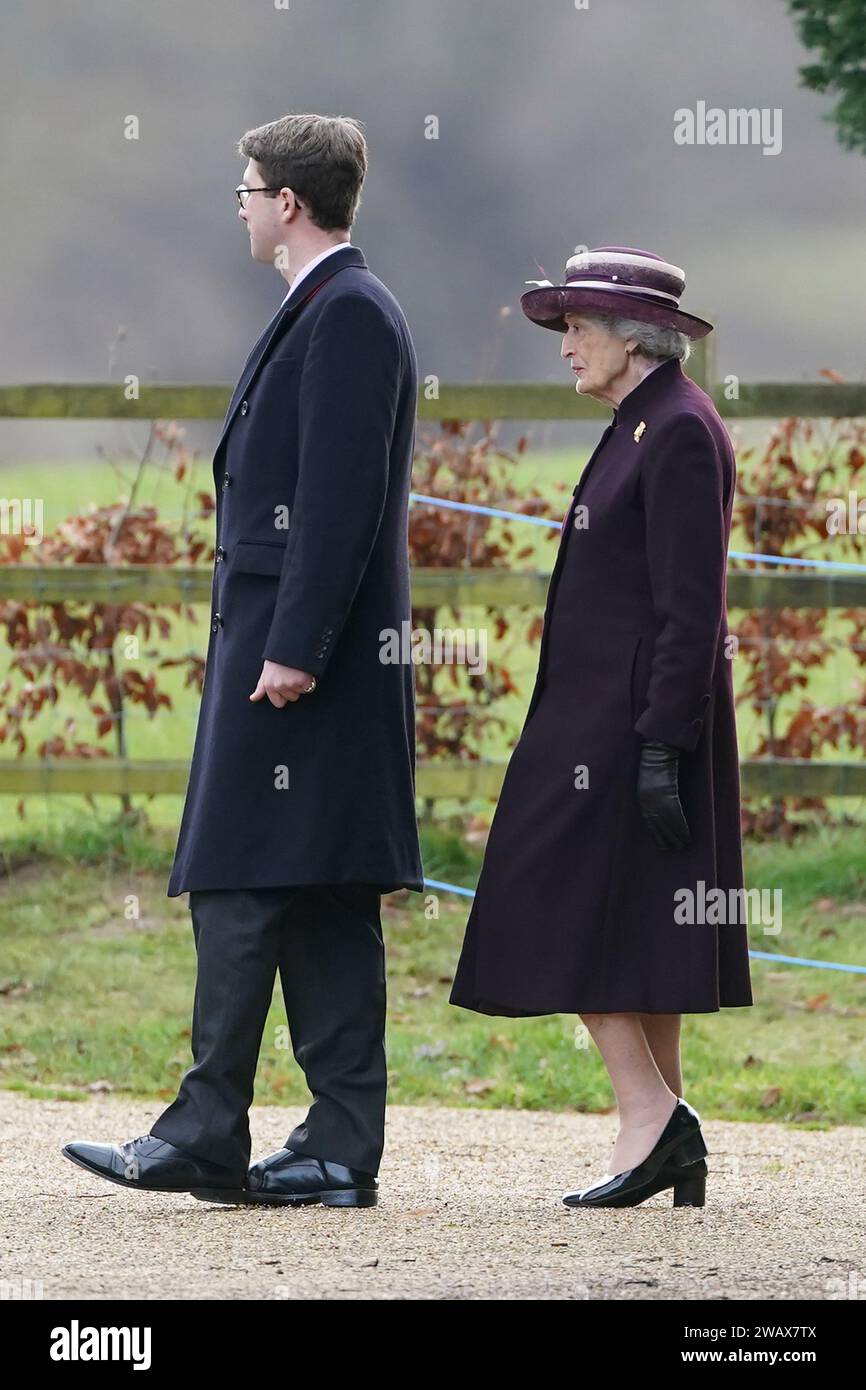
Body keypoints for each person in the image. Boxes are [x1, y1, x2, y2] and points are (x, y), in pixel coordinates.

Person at [63, 112, 423, 1209]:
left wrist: (295, 650)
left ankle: (208, 1129)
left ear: (289, 204)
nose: (240, 204)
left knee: (236, 883)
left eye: (248, 188)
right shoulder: (322, 305)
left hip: (303, 665)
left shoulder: (348, 311)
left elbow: (337, 504)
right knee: (314, 892)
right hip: (293, 655)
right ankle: (332, 1147)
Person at [449, 245, 753, 1209]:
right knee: (637, 927)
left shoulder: (678, 430)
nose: (566, 343)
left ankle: (653, 1117)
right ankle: (662, 1127)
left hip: (629, 726)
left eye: (577, 325)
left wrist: (664, 741)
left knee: (550, 900)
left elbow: (690, 606)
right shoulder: (643, 420)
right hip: (601, 718)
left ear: (632, 333)